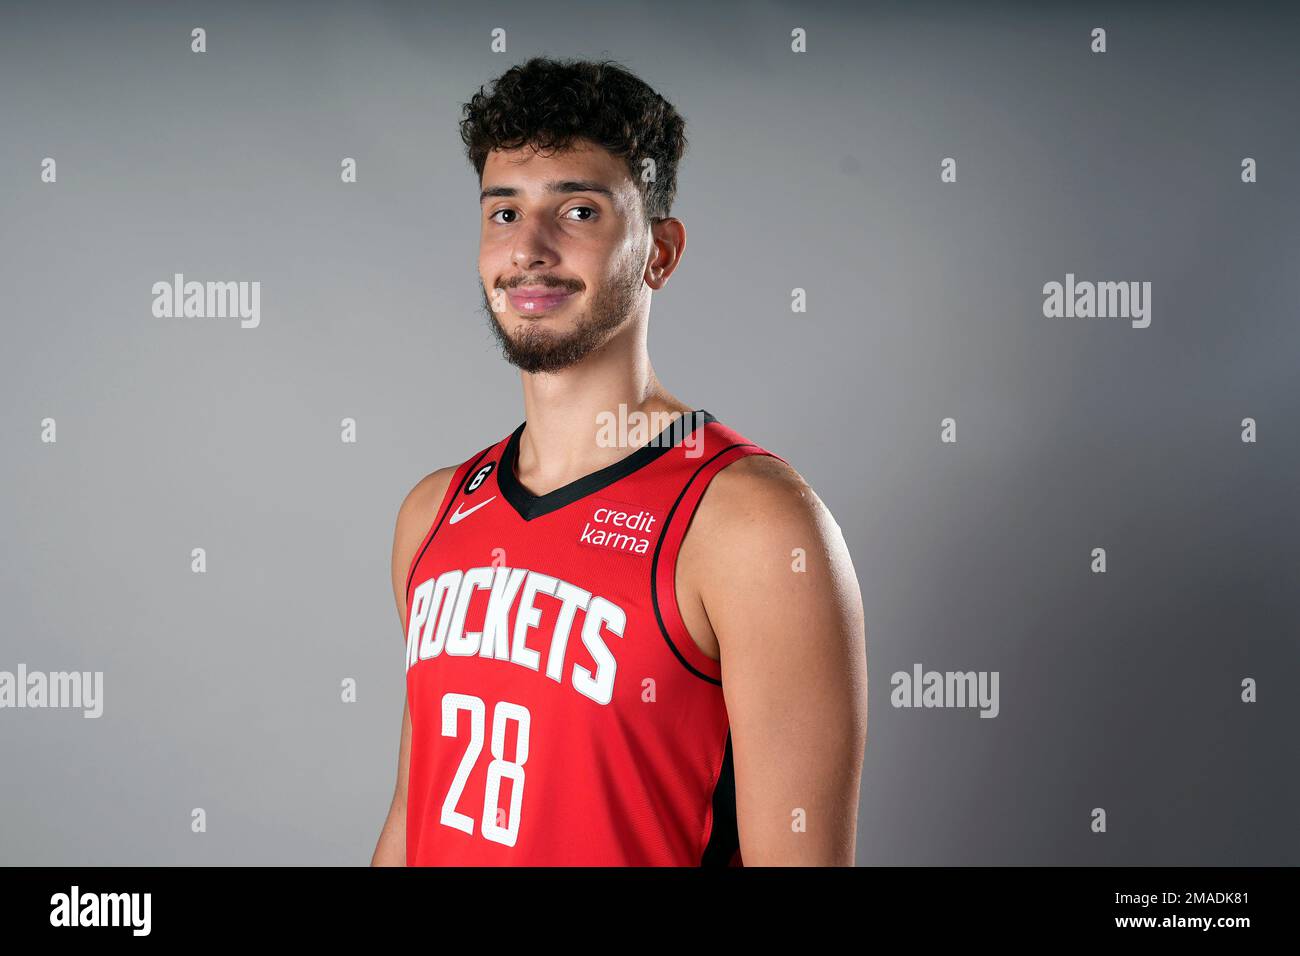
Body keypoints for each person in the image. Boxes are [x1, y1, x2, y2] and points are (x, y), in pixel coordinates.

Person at [370, 57, 866, 866]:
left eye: (577, 209)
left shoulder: (752, 524)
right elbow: (412, 814)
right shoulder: (433, 513)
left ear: (658, 254)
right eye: (503, 213)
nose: (528, 248)